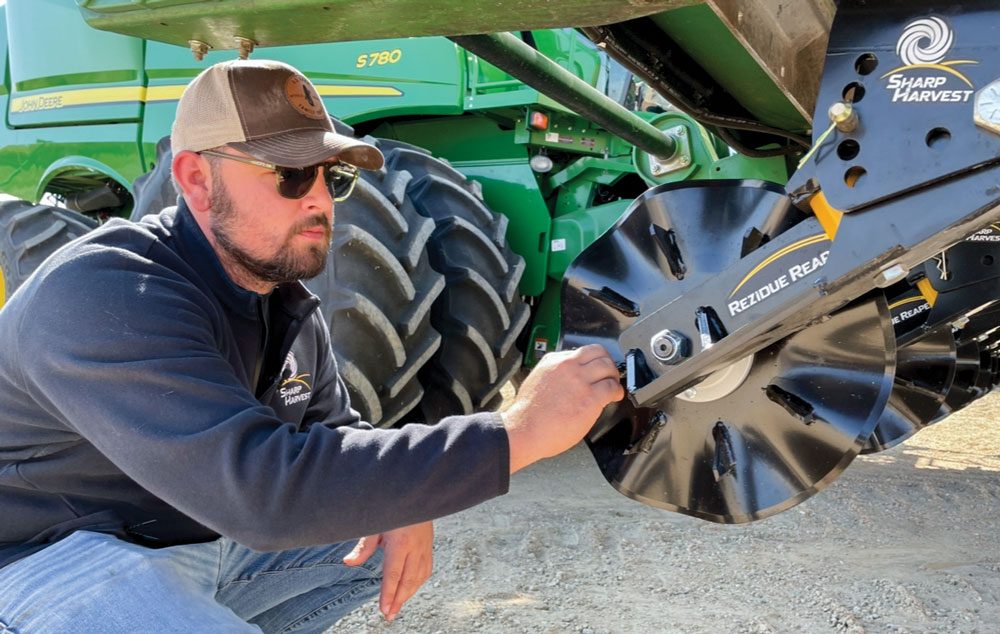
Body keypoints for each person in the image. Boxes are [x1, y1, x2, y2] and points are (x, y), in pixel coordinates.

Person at [0, 59, 623, 632]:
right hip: (43, 556)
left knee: (371, 523)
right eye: (292, 173)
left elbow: (333, 434)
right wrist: (518, 431)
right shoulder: (107, 293)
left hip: (180, 533)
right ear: (195, 178)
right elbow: (263, 493)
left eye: (335, 175)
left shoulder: (279, 297)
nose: (321, 197)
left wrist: (398, 496)